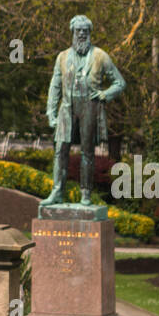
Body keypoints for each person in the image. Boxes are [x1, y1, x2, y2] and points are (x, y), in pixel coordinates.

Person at [41, 15, 125, 206]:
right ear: (72, 32)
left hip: (89, 108)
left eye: (85, 31)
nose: (81, 34)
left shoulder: (100, 56)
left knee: (87, 153)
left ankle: (85, 194)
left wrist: (104, 95)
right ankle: (57, 192)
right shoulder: (62, 57)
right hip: (67, 108)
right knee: (60, 150)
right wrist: (51, 112)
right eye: (78, 30)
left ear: (90, 33)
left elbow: (120, 83)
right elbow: (55, 86)